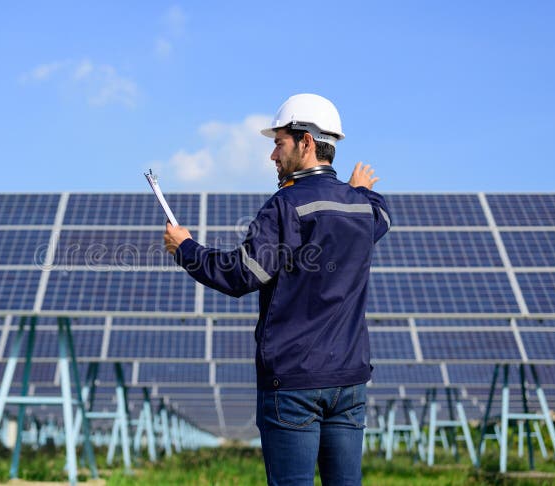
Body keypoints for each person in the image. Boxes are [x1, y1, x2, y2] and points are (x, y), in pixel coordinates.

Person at [163, 93, 391, 485]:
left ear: (305, 142)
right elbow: (380, 213)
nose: (272, 155)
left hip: (294, 382)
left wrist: (186, 248)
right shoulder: (361, 209)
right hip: (349, 381)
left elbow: (241, 275)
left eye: (278, 142)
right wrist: (357, 190)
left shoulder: (283, 207)